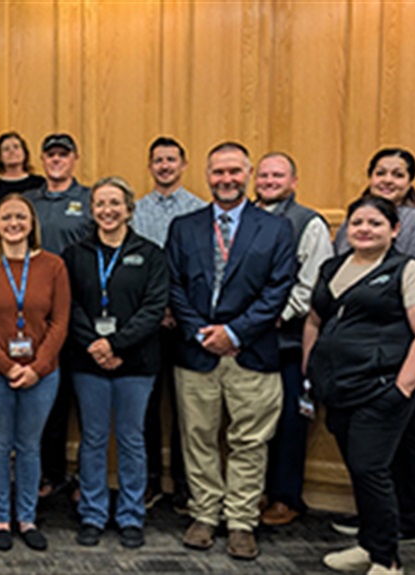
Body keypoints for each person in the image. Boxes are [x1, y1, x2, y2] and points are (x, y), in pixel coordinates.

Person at [168, 142, 295, 560]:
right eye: (218, 172)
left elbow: (278, 289)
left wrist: (235, 333)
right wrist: (200, 332)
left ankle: (241, 521)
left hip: (252, 353)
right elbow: (173, 286)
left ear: (248, 174)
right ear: (207, 175)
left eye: (234, 171)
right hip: (197, 352)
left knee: (250, 442)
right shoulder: (184, 227)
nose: (226, 179)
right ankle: (204, 514)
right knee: (198, 438)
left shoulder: (275, 229)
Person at [306, 196, 415, 574]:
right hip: (337, 389)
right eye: (357, 223)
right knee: (359, 469)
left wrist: (402, 389)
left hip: (381, 391)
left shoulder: (410, 271)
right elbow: (314, 321)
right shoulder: (333, 267)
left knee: (371, 469)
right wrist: (310, 370)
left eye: (375, 223)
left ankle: (387, 560)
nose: (364, 230)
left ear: (394, 229)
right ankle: (369, 544)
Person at [329, 148, 415, 546]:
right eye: (381, 172)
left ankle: (412, 522)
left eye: (398, 174)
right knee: (375, 448)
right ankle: (379, 517)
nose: (388, 180)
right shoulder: (357, 218)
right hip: (367, 358)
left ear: (410, 180)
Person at [62, 177, 168, 549]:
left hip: (136, 362)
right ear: (92, 211)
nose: (107, 210)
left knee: (131, 439)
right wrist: (95, 344)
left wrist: (115, 343)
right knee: (92, 439)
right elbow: (69, 304)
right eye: (100, 204)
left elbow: (154, 308)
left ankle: (130, 515)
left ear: (128, 209)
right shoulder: (75, 254)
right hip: (88, 361)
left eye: (114, 203)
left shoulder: (151, 254)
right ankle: (92, 513)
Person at [0, 193, 70, 553]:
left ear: (32, 223)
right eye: (6, 217)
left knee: (28, 445)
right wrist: (7, 366)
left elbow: (60, 322)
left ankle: (26, 518)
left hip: (42, 373)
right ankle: (0, 519)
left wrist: (36, 368)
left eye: (21, 217)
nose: (13, 223)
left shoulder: (53, 265)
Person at [254, 152, 333, 526]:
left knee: (289, 421)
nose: (269, 181)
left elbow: (312, 285)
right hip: (248, 340)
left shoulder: (309, 223)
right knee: (253, 421)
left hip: (288, 340)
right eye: (263, 175)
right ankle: (256, 491)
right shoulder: (243, 216)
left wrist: (275, 315)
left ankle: (286, 497)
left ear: (294, 181)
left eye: (277, 175)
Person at [131, 136, 206, 512]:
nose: (164, 166)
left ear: (183, 165)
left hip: (186, 323)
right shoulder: (135, 211)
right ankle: (147, 482)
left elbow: (203, 271)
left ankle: (183, 484)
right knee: (144, 406)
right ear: (150, 166)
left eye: (171, 160)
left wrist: (178, 310)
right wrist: (154, 310)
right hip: (145, 323)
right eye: (158, 160)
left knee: (186, 409)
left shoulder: (201, 211)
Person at [24, 133, 93, 500]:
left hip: (81, 312)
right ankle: (48, 474)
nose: (56, 160)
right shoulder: (29, 201)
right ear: (42, 159)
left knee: (84, 401)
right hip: (37, 315)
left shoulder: (89, 200)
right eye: (50, 154)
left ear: (74, 158)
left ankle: (86, 478)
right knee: (46, 401)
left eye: (63, 155)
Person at [0, 131, 46, 213]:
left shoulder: (39, 183)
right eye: (6, 149)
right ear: (0, 157)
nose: (12, 151)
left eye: (16, 147)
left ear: (25, 153)